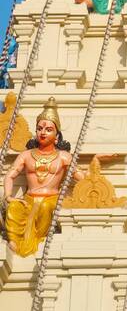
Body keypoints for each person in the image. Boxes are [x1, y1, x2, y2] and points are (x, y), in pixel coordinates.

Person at [3, 99, 83, 256]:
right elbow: (10, 175)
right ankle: (14, 241)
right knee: (14, 208)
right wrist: (8, 196)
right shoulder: (26, 155)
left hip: (51, 198)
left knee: (46, 209)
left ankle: (39, 240)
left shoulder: (64, 157)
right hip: (29, 198)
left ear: (57, 136)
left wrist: (97, 162)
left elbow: (81, 178)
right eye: (39, 129)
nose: (43, 132)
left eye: (48, 129)